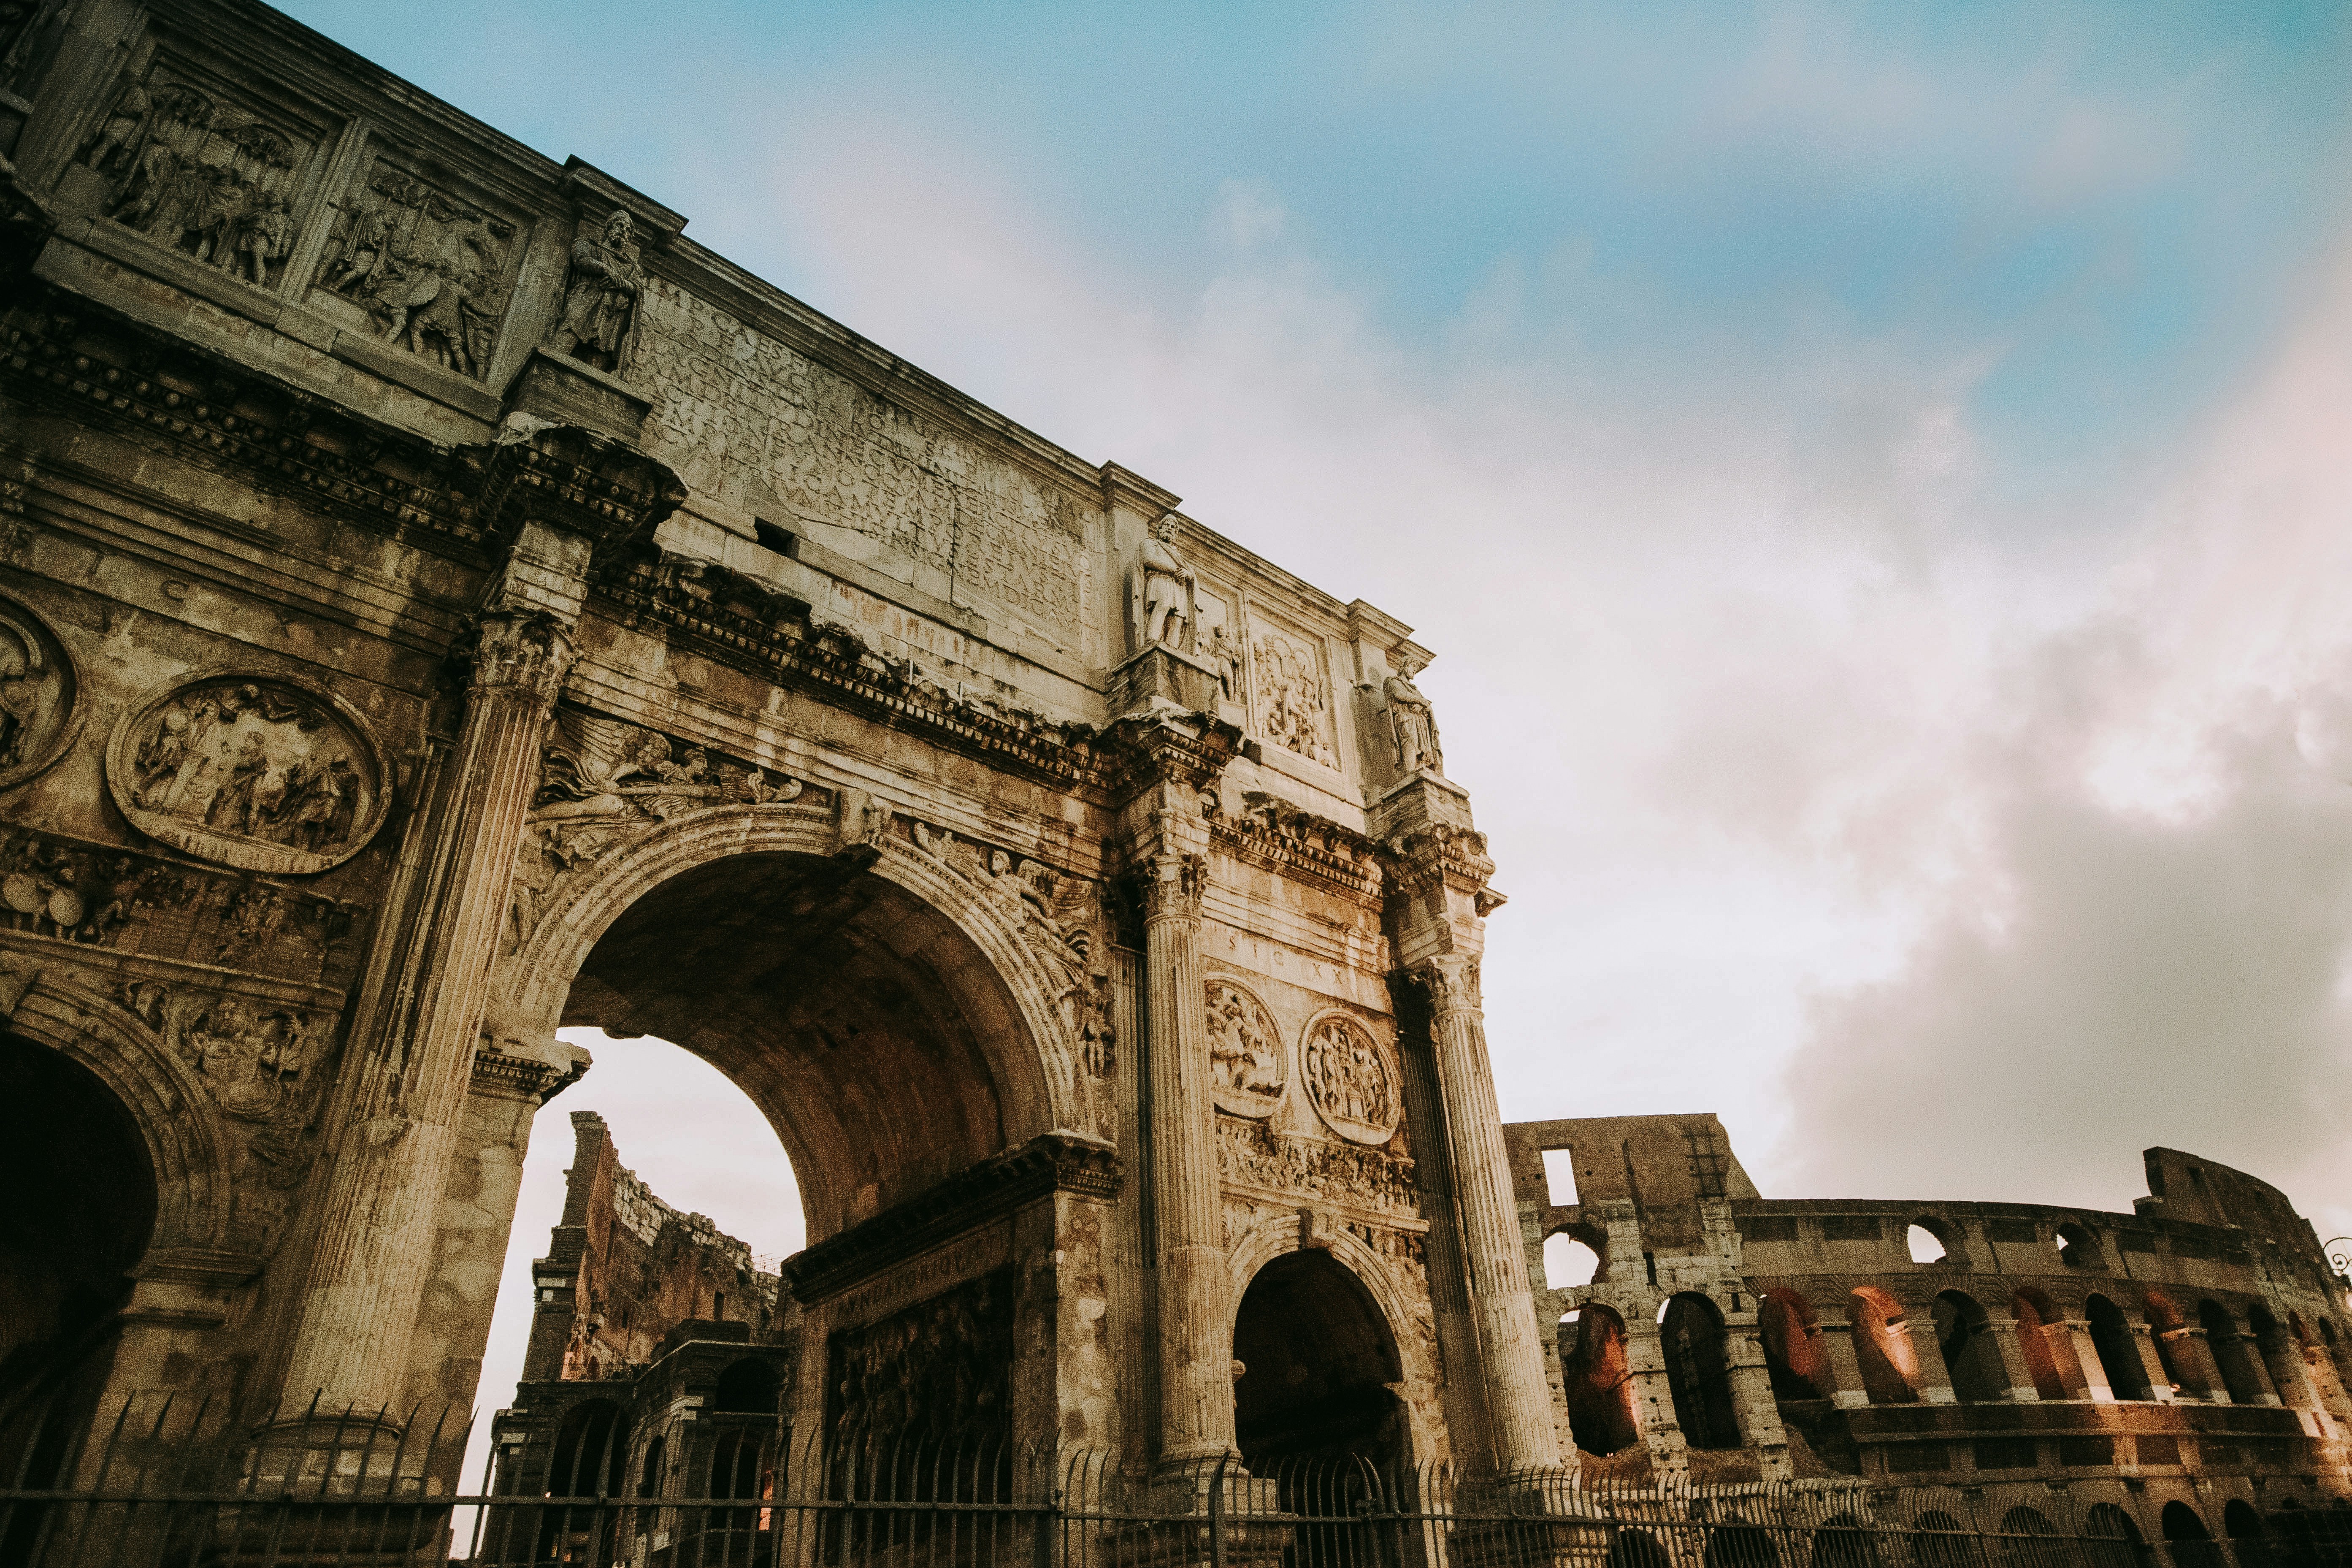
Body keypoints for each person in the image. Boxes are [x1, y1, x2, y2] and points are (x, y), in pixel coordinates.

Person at [549, 209, 643, 371]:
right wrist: (606, 269)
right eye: (620, 226)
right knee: (570, 329)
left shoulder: (631, 266)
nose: (624, 231)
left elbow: (637, 288)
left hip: (612, 313)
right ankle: (549, 365)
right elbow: (580, 259)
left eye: (628, 230)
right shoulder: (589, 246)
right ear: (609, 228)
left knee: (600, 356)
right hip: (586, 298)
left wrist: (621, 284)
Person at [1137, 514, 1194, 650]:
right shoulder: (1151, 543)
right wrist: (1173, 569)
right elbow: (1148, 559)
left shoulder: (1177, 553)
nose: (1170, 528)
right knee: (1163, 605)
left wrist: (1187, 574)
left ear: (1175, 533)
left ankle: (1172, 650)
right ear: (1160, 528)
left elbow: (1189, 572)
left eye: (1173, 527)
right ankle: (1152, 640)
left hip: (1178, 586)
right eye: (1167, 525)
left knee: (1177, 617)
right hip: (1160, 579)